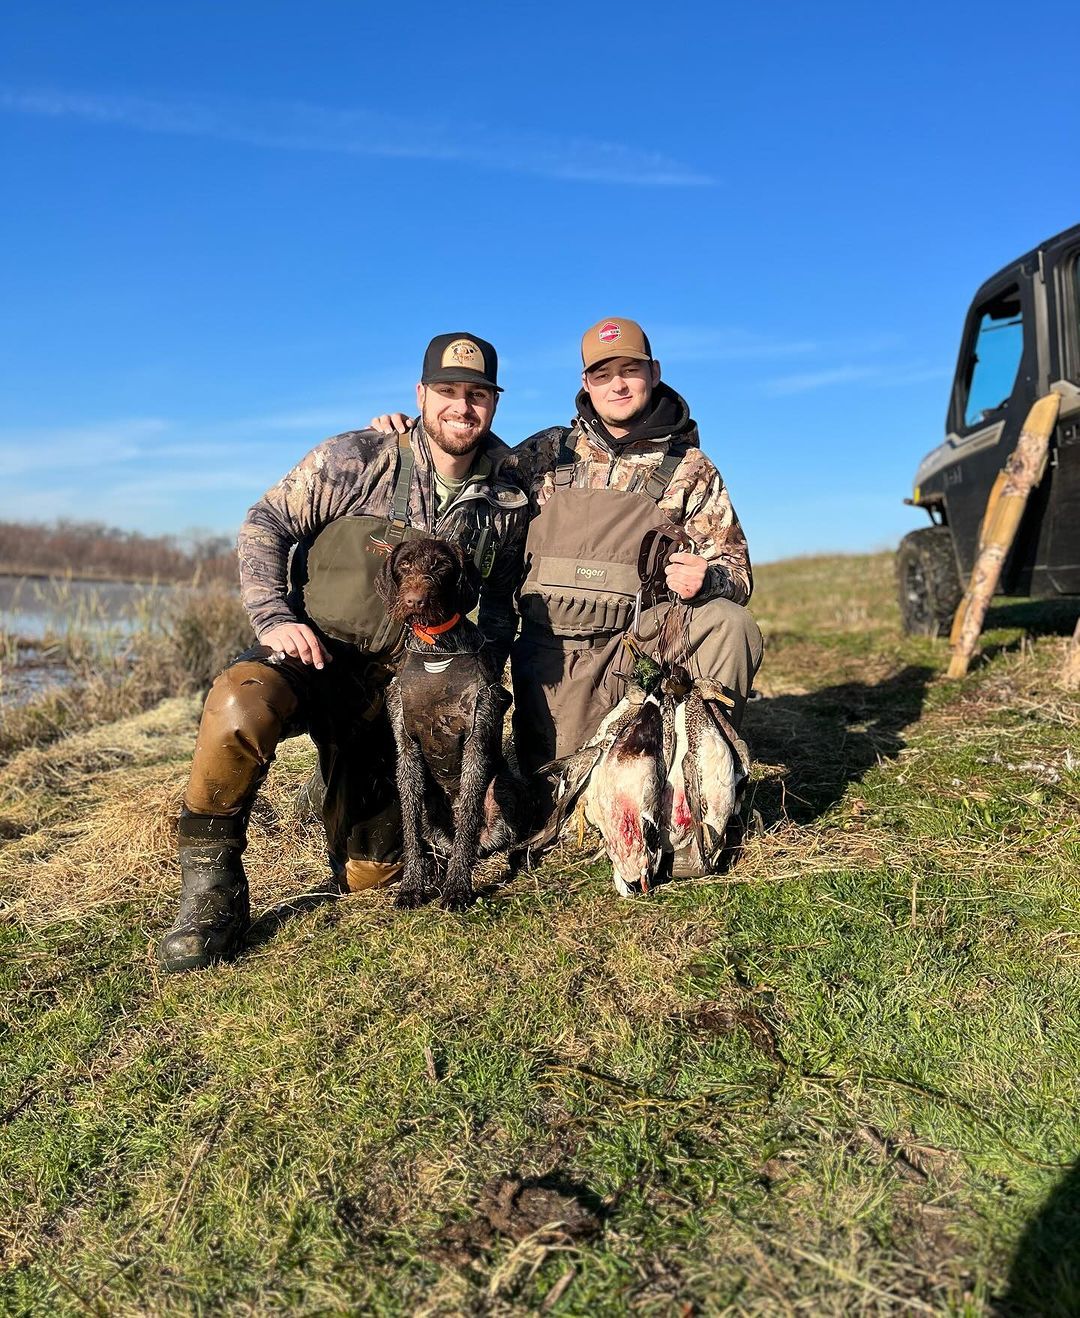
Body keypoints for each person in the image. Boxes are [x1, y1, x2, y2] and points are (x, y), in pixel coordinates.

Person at [158, 333, 528, 972]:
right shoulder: (358, 457)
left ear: (492, 404)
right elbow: (264, 521)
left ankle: (330, 795)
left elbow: (498, 601)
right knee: (238, 704)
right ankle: (209, 892)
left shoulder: (509, 493)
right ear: (420, 396)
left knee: (372, 874)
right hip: (319, 655)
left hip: (406, 692)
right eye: (446, 392)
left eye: (476, 395)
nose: (461, 408)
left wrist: (483, 676)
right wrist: (273, 617)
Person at [372, 317, 762, 879]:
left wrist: (710, 579)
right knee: (564, 797)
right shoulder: (544, 456)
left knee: (730, 624)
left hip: (644, 648)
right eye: (605, 375)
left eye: (631, 371)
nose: (619, 385)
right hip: (559, 661)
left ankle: (705, 792)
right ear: (586, 381)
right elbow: (462, 451)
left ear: (653, 373)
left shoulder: (691, 471)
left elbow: (739, 574)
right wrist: (404, 434)